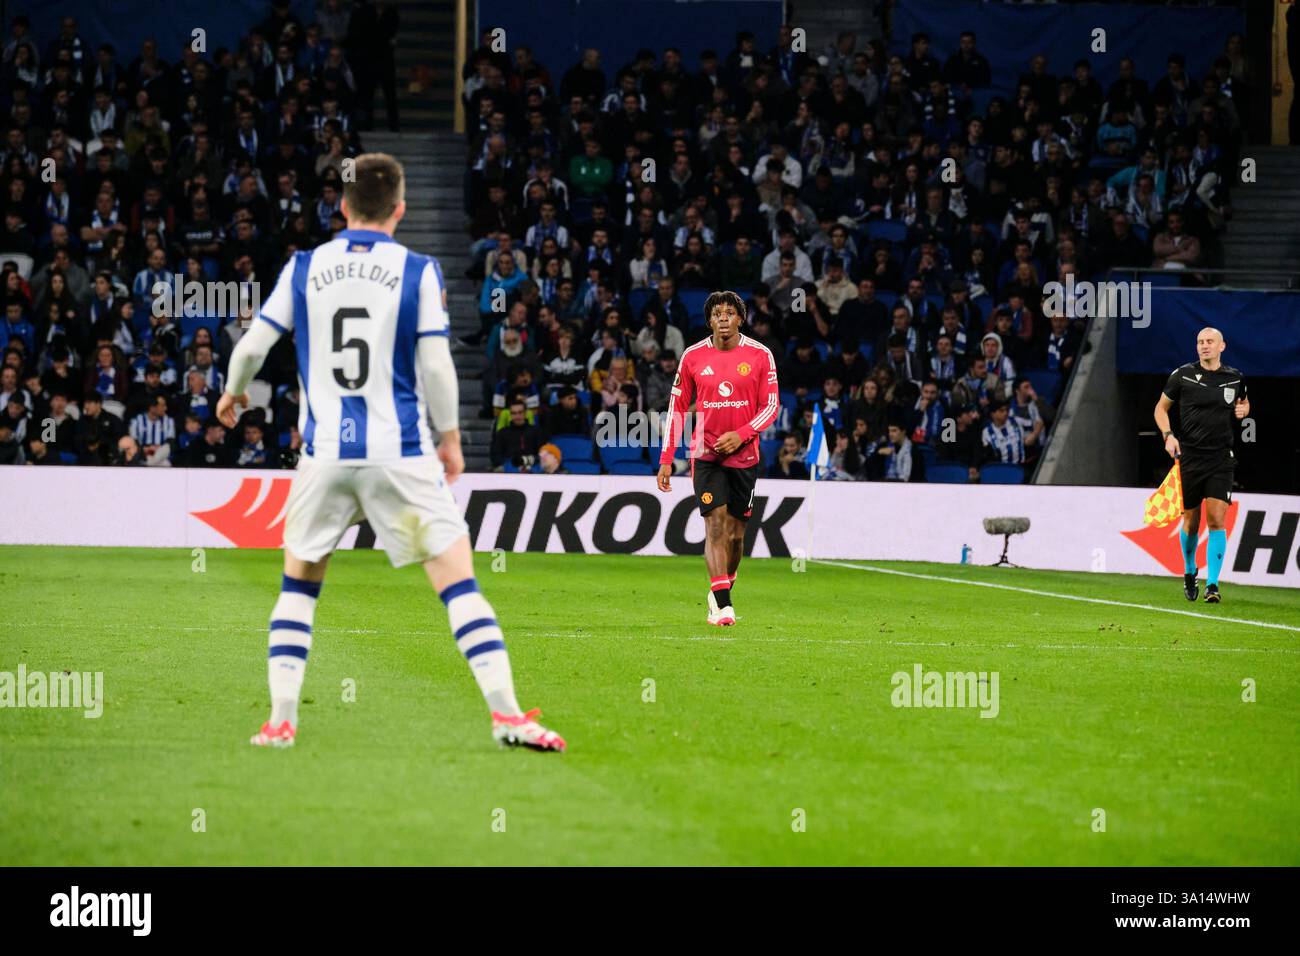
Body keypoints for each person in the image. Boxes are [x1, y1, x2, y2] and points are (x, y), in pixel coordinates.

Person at [217, 154, 564, 752]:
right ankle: (508, 717)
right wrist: (451, 438)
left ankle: (279, 722)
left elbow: (253, 344)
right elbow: (434, 362)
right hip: (398, 452)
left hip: (324, 454)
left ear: (341, 207)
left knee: (298, 587)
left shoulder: (304, 267)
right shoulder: (418, 270)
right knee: (458, 584)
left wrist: (232, 392)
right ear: (401, 209)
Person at [656, 290, 780, 626]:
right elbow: (677, 408)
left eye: (729, 313)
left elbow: (770, 406)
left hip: (745, 456)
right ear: (709, 320)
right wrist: (667, 457)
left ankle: (722, 587)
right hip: (705, 454)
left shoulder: (760, 355)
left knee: (737, 535)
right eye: (716, 314)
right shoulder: (693, 357)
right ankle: (723, 605)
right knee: (715, 524)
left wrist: (740, 434)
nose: (722, 319)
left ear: (740, 318)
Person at [1153, 327, 1249, 604]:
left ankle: (1213, 585)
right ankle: (1189, 570)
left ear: (1222, 346)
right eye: (1200, 342)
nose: (1204, 346)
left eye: (1209, 342)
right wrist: (1168, 436)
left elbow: (1244, 404)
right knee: (1191, 523)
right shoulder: (1181, 375)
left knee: (1217, 519)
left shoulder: (1235, 377)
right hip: (1190, 458)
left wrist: (1245, 410)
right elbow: (1160, 409)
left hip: (1221, 458)